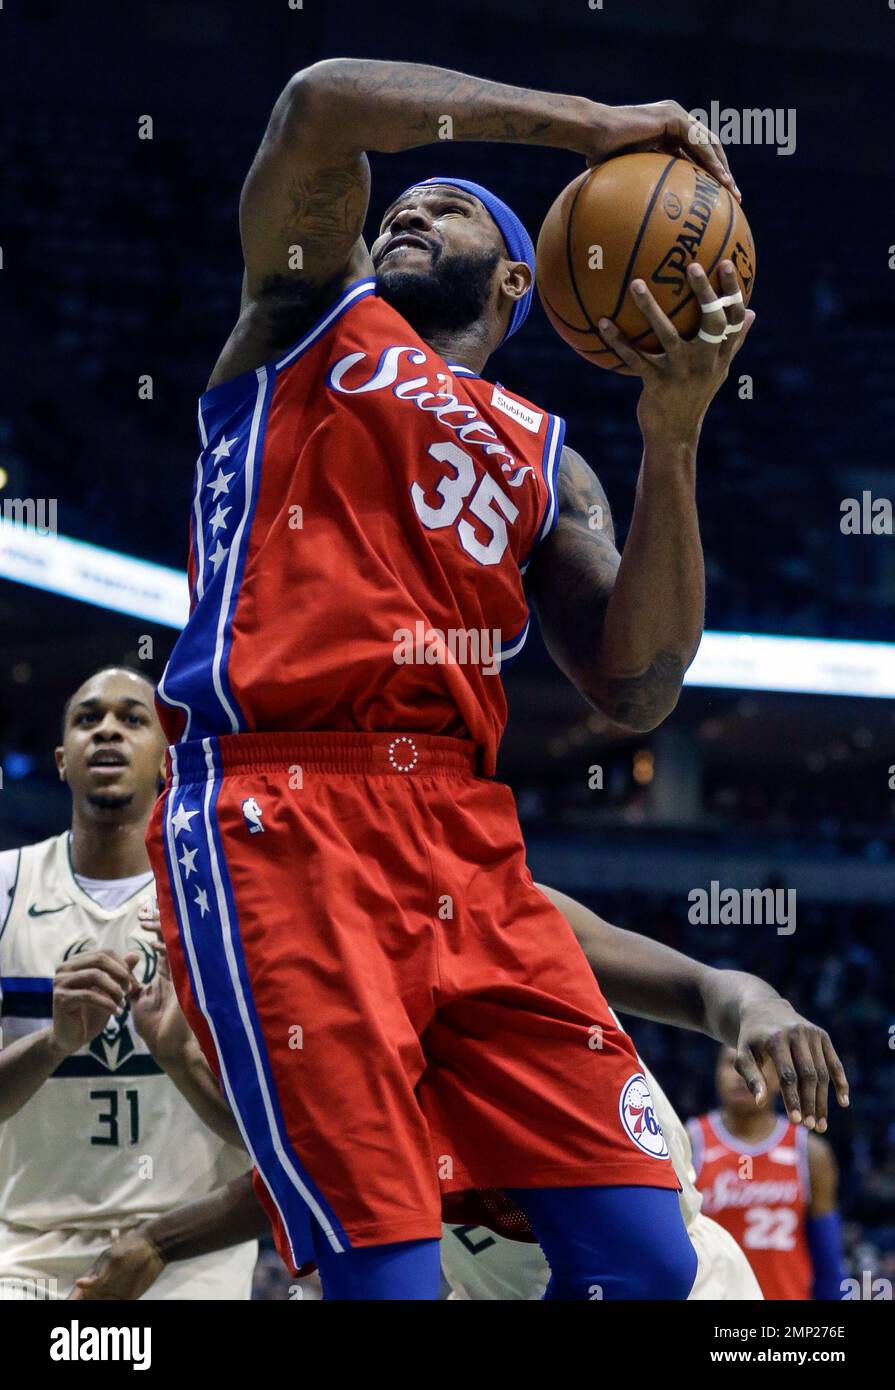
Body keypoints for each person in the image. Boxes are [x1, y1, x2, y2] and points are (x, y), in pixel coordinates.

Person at [146, 56, 756, 1299]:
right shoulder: (306, 319)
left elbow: (637, 689)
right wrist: (591, 124)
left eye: (452, 206)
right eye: (397, 209)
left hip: (464, 836)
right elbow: (316, 102)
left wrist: (672, 433)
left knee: (646, 1257)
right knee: (389, 1276)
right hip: (282, 803)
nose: (408, 214)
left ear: (523, 277)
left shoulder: (548, 458)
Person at [69, 886, 847, 1301]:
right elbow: (304, 1165)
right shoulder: (328, 1005)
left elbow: (705, 986)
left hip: (680, 1287)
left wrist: (760, 1006)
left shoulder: (508, 913)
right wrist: (175, 1054)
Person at [0, 667, 256, 1300]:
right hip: (25, 1250)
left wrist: (178, 1057)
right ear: (62, 760)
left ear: (167, 760)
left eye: (131, 718)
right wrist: (53, 1044)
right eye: (88, 719)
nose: (107, 729)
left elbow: (273, 1135)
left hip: (187, 1247)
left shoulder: (225, 903)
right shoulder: (5, 888)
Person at [688, 1047, 846, 1300]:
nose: (741, 1074)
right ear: (717, 1074)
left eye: (758, 1064)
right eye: (731, 1064)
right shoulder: (689, 1143)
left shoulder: (810, 1153)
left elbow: (828, 1264)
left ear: (780, 1077)